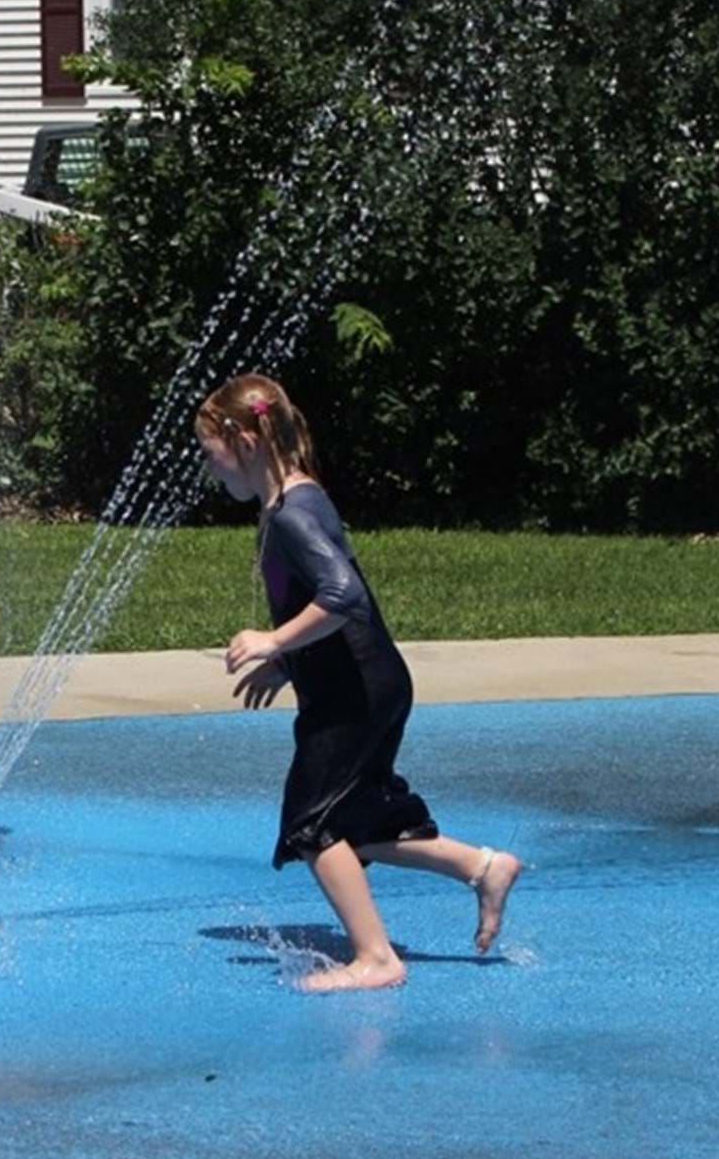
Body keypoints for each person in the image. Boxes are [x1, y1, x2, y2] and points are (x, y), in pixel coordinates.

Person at [195, 374, 521, 993]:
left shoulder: (293, 512)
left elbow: (344, 595)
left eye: (209, 451)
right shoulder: (294, 501)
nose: (210, 471)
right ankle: (482, 867)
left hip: (356, 693)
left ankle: (376, 958)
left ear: (241, 437)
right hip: (364, 683)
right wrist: (290, 662)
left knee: (312, 824)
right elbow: (334, 603)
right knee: (357, 821)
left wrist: (273, 640)